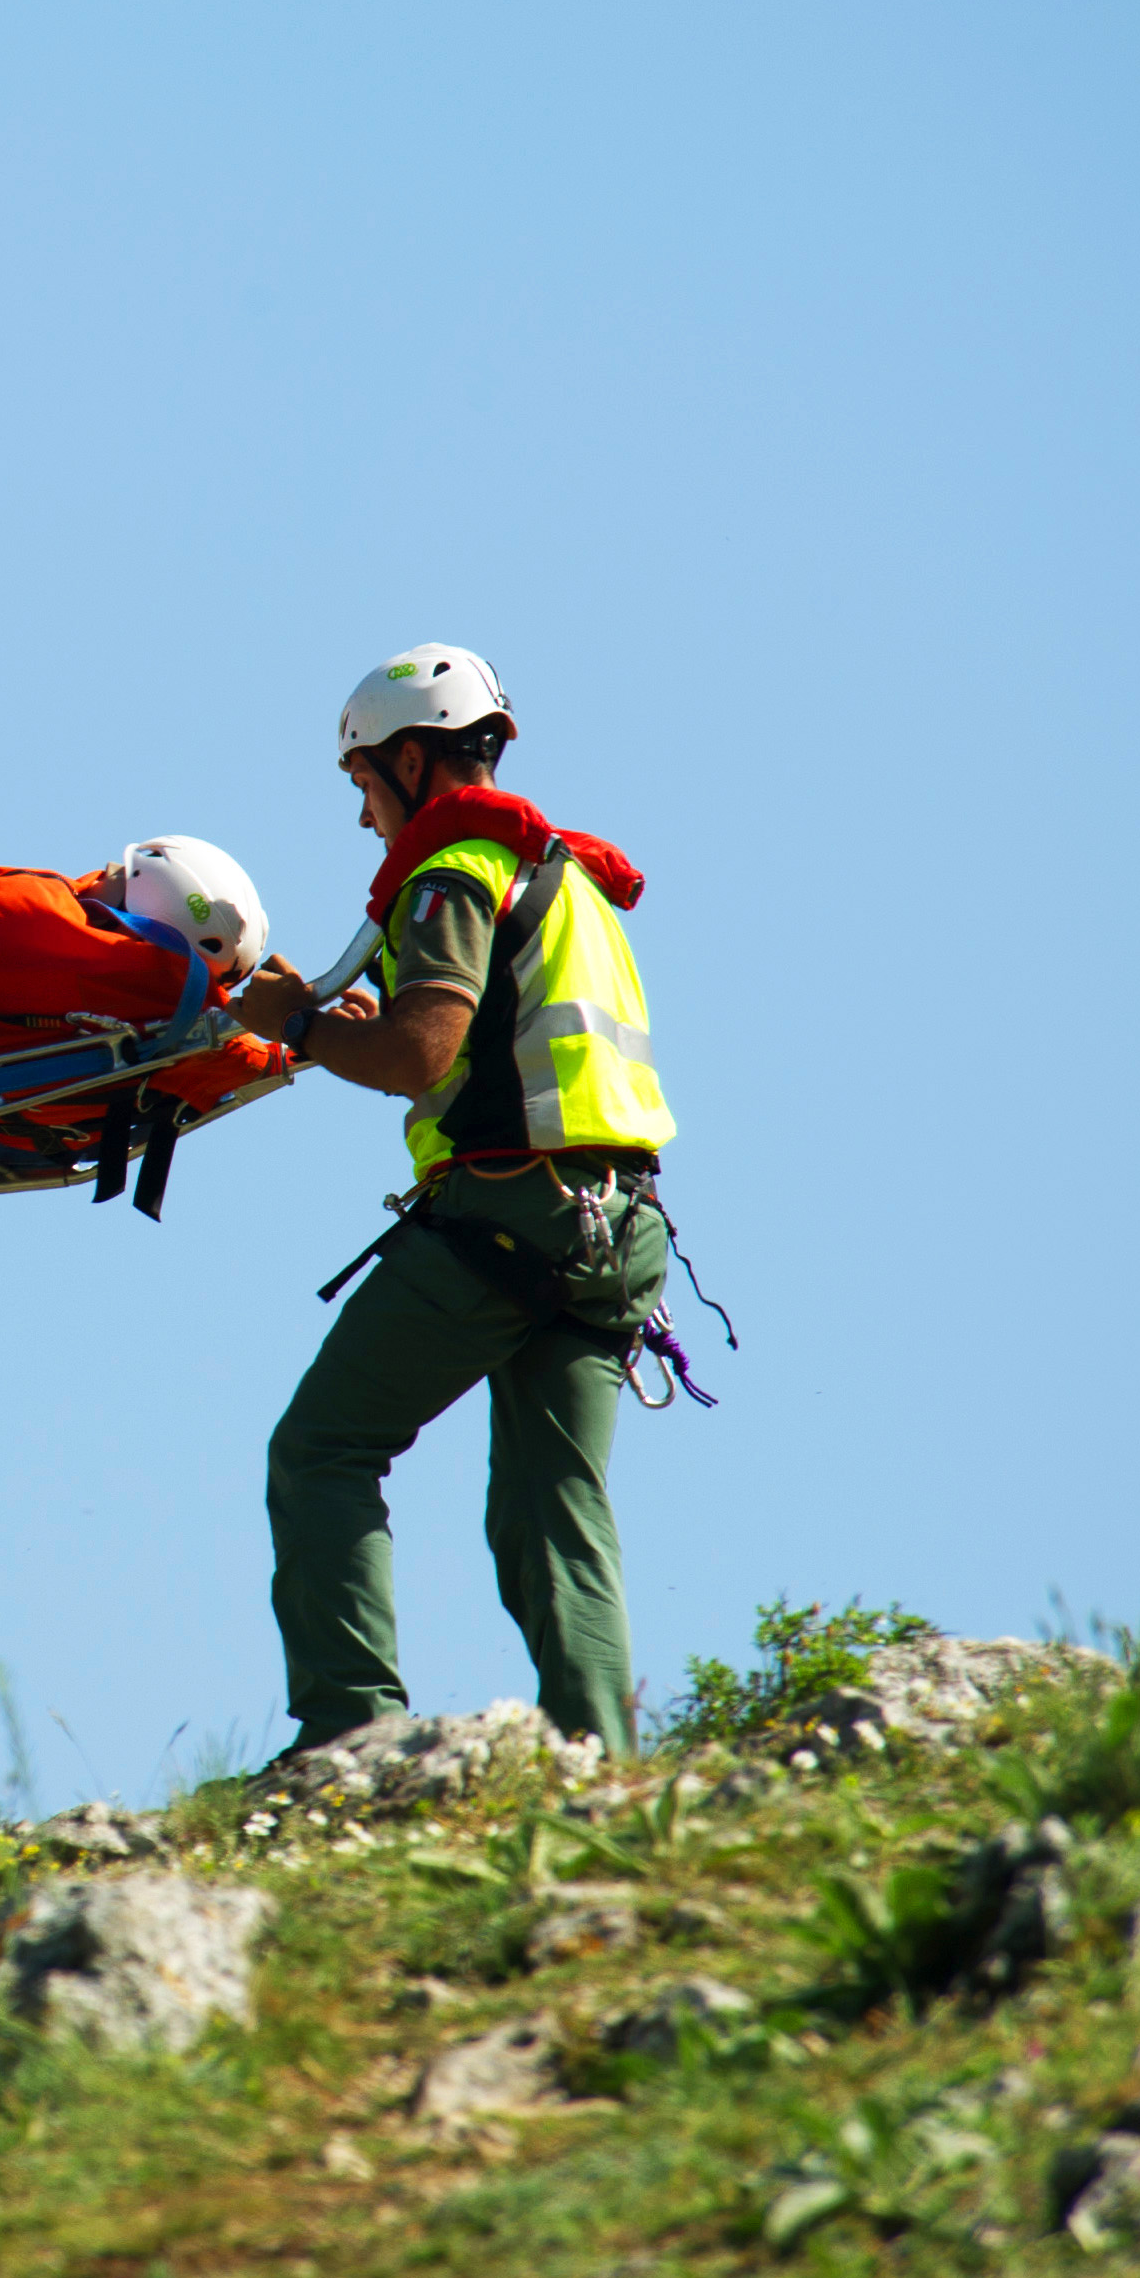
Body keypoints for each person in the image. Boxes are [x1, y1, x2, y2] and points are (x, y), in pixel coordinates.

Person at [231, 648, 683, 1760]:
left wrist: (299, 1022)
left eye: (362, 788)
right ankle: (602, 1768)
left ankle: (348, 1734)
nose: (363, 820)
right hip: (621, 1231)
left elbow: (418, 1051)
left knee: (322, 1448)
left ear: (412, 758)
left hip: (508, 1219)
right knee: (550, 1516)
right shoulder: (564, 878)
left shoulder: (451, 876)